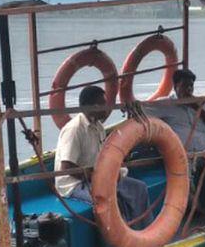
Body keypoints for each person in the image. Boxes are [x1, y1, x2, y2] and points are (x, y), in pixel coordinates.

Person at [56, 85, 152, 223]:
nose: (107, 107)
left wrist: (112, 173)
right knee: (111, 199)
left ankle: (144, 231)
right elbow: (66, 167)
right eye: (103, 104)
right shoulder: (74, 129)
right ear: (92, 107)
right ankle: (118, 241)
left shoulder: (99, 127)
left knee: (139, 188)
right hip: (74, 184)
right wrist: (99, 177)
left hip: (97, 177)